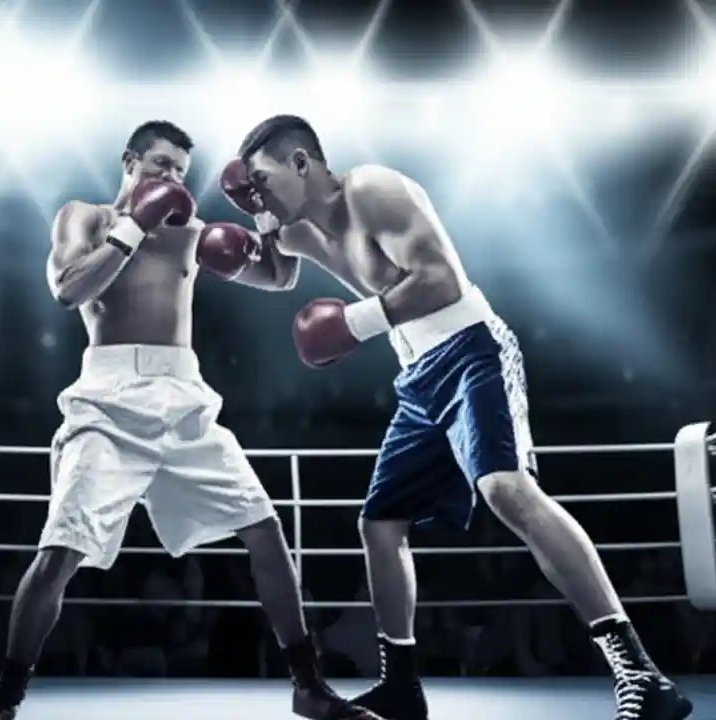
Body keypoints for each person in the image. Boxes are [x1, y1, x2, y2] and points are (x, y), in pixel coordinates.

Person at [208, 114, 691, 720]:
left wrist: (352, 325)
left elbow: (438, 279)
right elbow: (275, 272)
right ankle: (403, 687)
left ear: (302, 163)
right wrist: (226, 255)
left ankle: (641, 674)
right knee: (380, 524)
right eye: (250, 187)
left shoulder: (373, 189)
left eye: (263, 180)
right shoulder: (295, 224)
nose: (259, 194)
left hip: (469, 349)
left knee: (506, 490)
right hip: (416, 378)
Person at [0, 120, 377, 720]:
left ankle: (308, 686)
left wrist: (260, 215)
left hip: (183, 397)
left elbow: (281, 277)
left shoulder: (194, 234)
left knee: (264, 528)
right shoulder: (87, 218)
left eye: (180, 171)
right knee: (60, 549)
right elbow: (69, 290)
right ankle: (5, 696)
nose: (171, 179)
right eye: (160, 165)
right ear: (129, 162)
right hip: (107, 398)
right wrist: (133, 227)